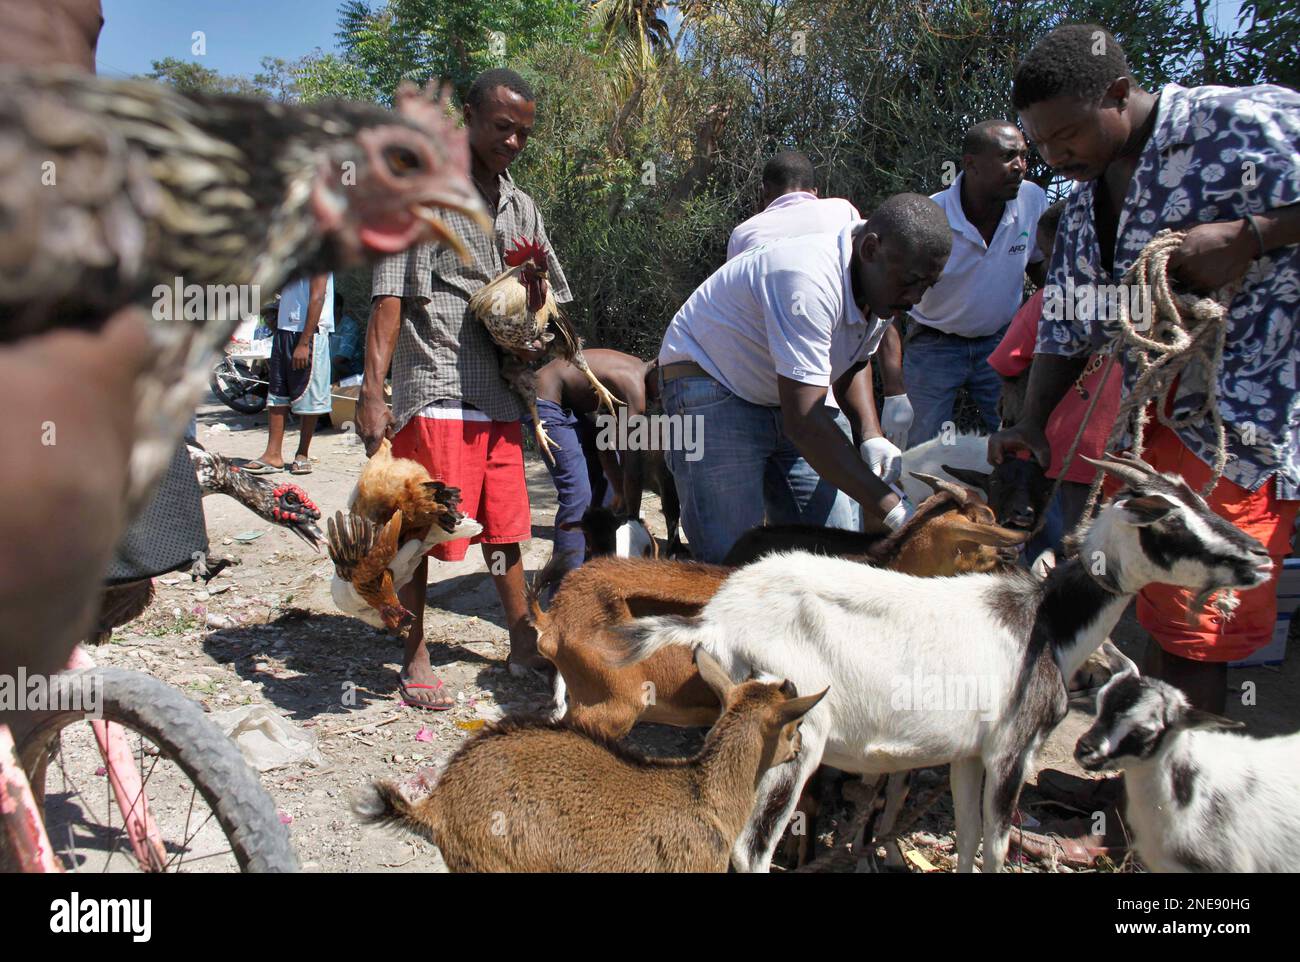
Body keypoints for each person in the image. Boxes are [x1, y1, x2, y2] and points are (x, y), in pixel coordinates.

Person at [991, 23, 1300, 713]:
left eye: (1065, 134)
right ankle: (1135, 793)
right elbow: (1066, 327)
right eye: (1039, 143)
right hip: (1156, 432)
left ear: (1120, 94)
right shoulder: (1082, 210)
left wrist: (1251, 235)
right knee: (1160, 601)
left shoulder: (1236, 123)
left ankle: (1171, 804)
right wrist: (1034, 425)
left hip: (1241, 429)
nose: (1052, 154)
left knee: (1201, 622)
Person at [358, 68, 568, 708]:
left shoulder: (520, 205)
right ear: (469, 118)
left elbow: (549, 295)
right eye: (503, 127)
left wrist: (536, 332)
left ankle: (522, 639)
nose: (514, 142)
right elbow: (389, 296)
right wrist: (373, 390)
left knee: (504, 528)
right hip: (438, 380)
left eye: (524, 133)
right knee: (424, 527)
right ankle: (415, 650)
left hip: (501, 394)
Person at [657, 193, 951, 563]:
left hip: (786, 396)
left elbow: (853, 361)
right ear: (871, 249)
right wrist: (897, 510)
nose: (916, 298)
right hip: (710, 382)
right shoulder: (806, 279)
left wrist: (871, 434)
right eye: (911, 282)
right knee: (729, 561)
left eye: (928, 285)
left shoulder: (885, 289)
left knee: (833, 551)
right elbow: (806, 422)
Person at [728, 150, 913, 519]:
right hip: (818, 384)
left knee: (761, 519)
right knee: (839, 512)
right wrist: (888, 403)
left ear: (764, 194)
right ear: (816, 190)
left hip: (767, 378)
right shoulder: (842, 211)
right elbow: (865, 323)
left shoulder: (744, 232)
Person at [987, 199, 1122, 553]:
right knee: (1104, 553)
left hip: (1054, 457)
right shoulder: (1139, 301)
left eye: (1051, 257)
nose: (1049, 267)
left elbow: (1007, 364)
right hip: (1120, 456)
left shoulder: (1048, 300)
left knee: (1055, 550)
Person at [905, 120, 1049, 444]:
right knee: (922, 442)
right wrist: (893, 391)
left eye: (1024, 156)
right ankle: (914, 496)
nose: (1020, 167)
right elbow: (896, 291)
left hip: (999, 341)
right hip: (934, 345)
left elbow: (1040, 266)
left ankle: (1002, 495)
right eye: (1008, 157)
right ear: (970, 163)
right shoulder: (933, 215)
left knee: (1012, 432)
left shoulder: (1031, 201)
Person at [528, 349, 658, 579]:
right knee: (577, 493)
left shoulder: (630, 378)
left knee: (604, 486)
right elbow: (634, 463)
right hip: (544, 399)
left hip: (572, 409)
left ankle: (595, 566)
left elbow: (605, 446)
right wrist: (633, 518)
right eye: (665, 385)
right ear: (657, 369)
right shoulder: (634, 384)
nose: (661, 396)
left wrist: (619, 491)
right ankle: (566, 589)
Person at [246, 273, 333, 475]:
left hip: (310, 333)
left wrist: (304, 342)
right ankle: (273, 454)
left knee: (309, 395)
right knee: (277, 394)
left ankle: (302, 454)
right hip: (284, 331)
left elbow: (318, 296)